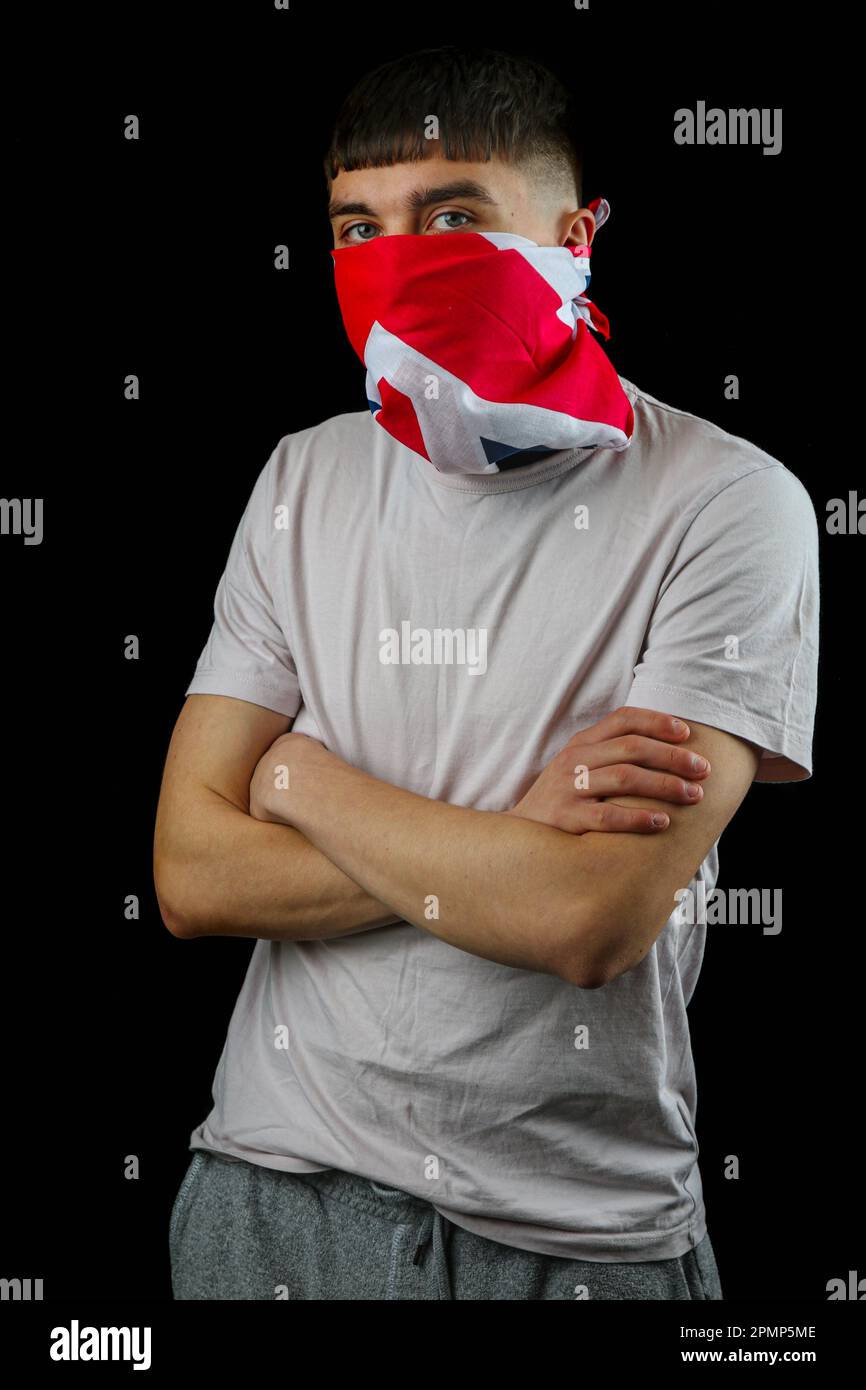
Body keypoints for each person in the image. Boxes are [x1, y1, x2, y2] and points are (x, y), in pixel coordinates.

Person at [154, 45, 819, 1300]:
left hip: (570, 1236)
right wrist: (510, 837)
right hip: (265, 1196)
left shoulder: (730, 503)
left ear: (574, 237)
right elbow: (188, 877)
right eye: (359, 227)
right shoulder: (303, 477)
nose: (396, 260)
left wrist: (296, 777)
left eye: (452, 215)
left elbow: (584, 920)